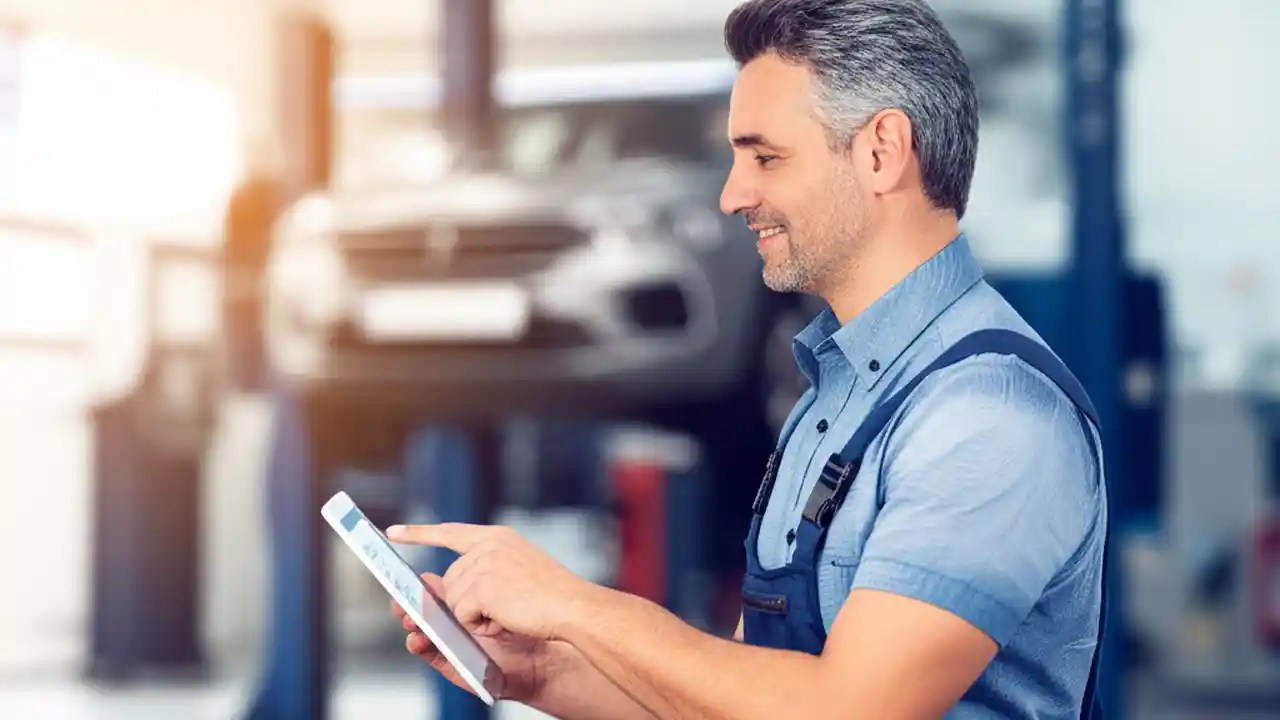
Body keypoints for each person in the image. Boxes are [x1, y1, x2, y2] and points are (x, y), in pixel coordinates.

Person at [387, 1, 1108, 717]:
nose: (734, 194)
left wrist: (573, 605)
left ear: (882, 152)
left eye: (765, 157)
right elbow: (736, 697)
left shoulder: (986, 415)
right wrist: (538, 671)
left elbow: (846, 711)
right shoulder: (832, 400)